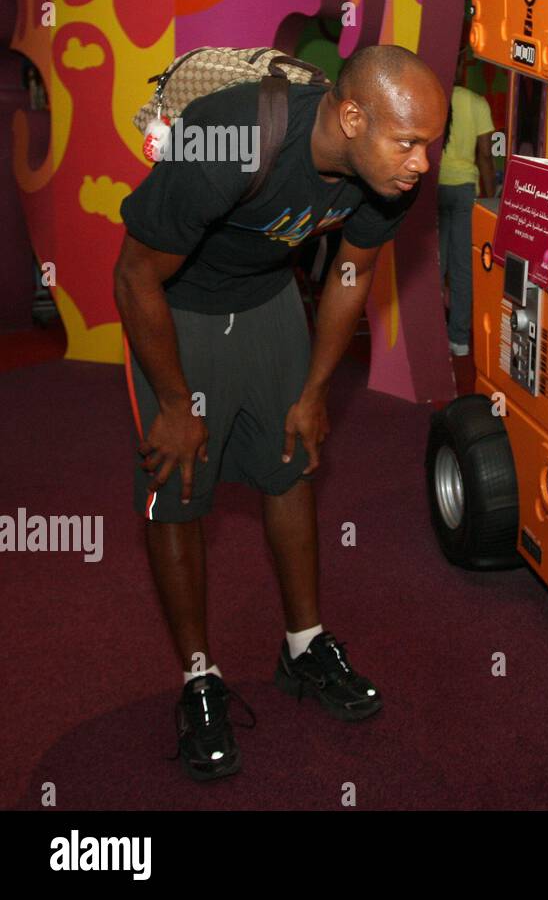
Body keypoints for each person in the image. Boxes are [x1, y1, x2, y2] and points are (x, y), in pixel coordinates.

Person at [114, 44, 446, 782]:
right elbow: (134, 273)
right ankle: (199, 677)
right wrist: (174, 403)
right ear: (352, 117)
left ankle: (304, 645)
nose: (423, 163)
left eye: (431, 142)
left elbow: (352, 273)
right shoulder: (229, 136)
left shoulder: (388, 178)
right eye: (409, 143)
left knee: (292, 464)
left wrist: (314, 391)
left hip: (267, 300)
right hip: (178, 308)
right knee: (178, 490)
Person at [438, 81, 497, 357]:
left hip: (434, 186)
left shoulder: (435, 95)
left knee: (435, 263)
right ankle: (458, 340)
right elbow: (485, 155)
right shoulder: (477, 101)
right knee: (462, 266)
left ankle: (429, 333)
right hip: (464, 190)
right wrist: (489, 196)